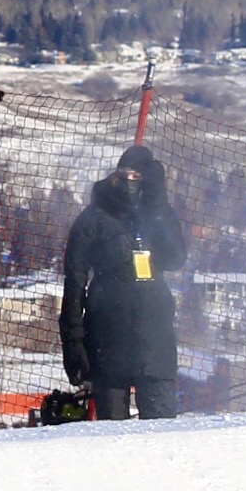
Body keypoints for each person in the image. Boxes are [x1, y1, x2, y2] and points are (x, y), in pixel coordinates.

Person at [60, 145, 188, 419]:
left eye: (139, 176)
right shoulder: (94, 218)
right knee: (112, 435)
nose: (131, 182)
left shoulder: (156, 214)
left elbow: (175, 258)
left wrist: (158, 207)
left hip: (154, 337)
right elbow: (73, 283)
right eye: (126, 175)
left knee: (160, 430)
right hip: (108, 337)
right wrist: (74, 344)